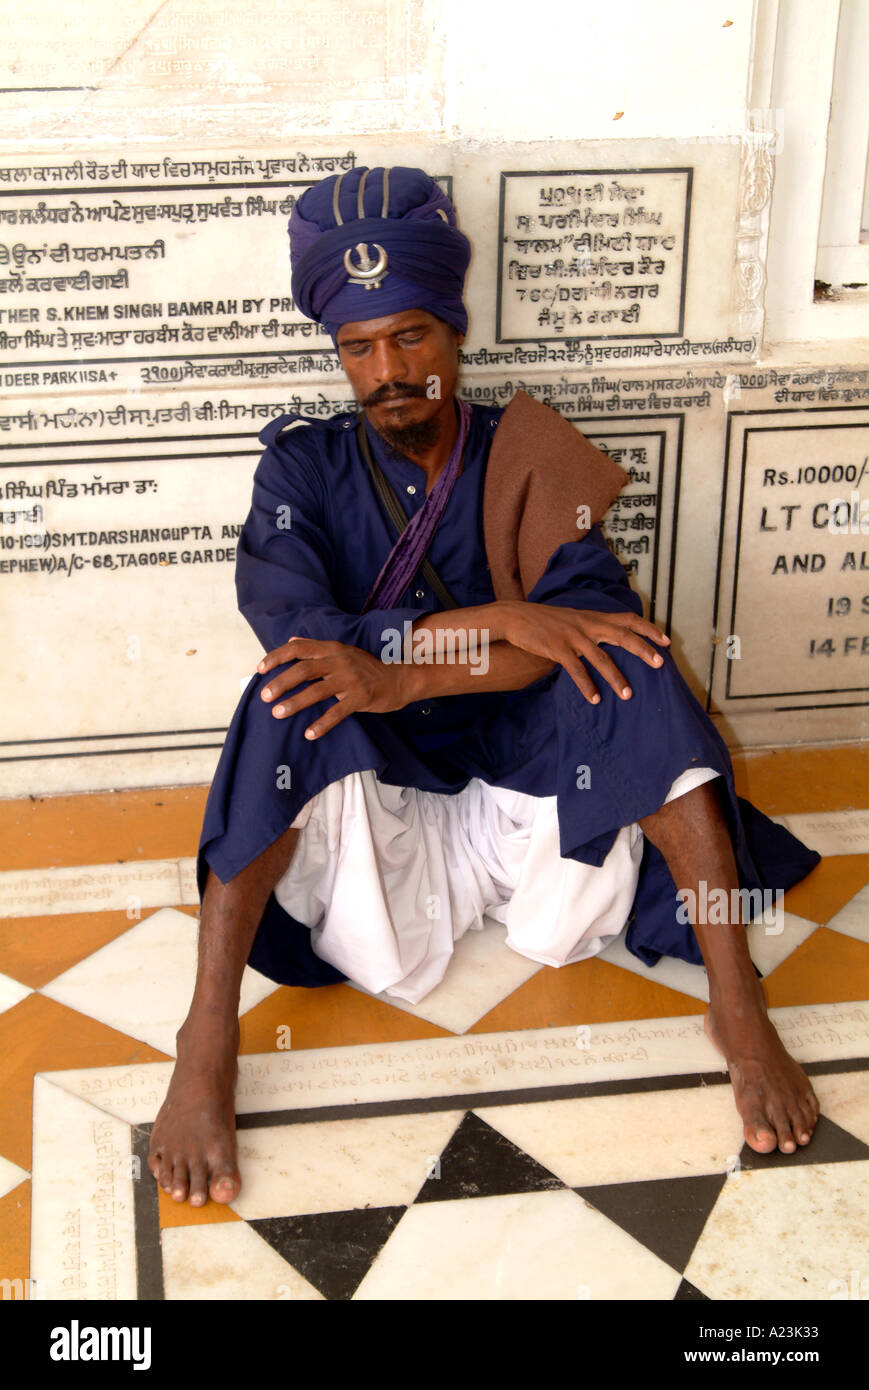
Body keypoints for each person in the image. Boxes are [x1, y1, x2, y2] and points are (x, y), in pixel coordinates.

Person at [148, 166, 822, 1209]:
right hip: (383, 786)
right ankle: (205, 1038)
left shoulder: (526, 446)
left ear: (454, 335)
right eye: (358, 348)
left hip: (530, 777)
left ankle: (735, 999)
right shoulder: (301, 472)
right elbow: (308, 643)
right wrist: (497, 623)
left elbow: (588, 631)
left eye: (409, 335)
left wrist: (410, 661)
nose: (388, 369)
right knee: (281, 697)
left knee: (634, 666)